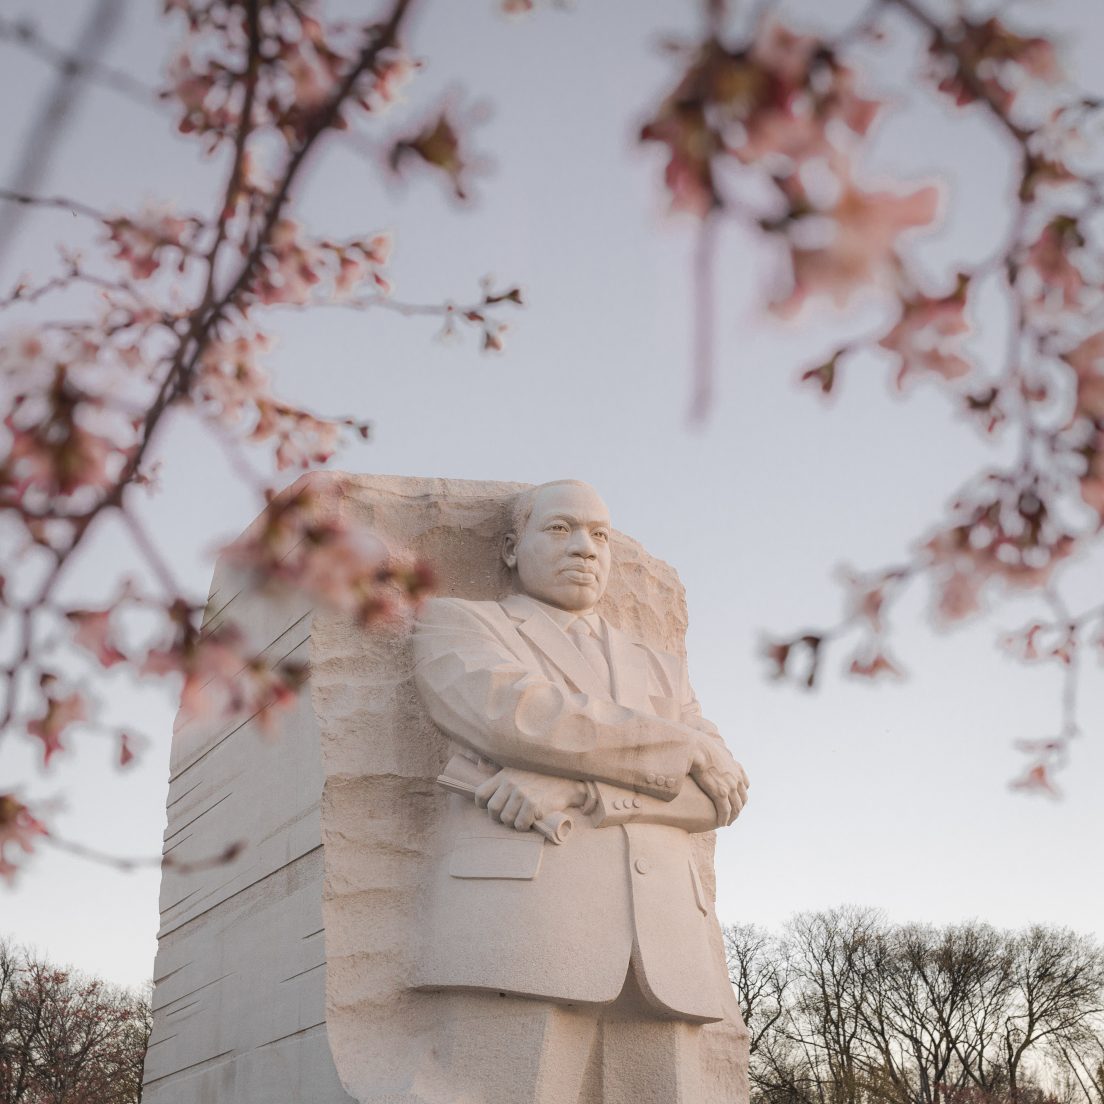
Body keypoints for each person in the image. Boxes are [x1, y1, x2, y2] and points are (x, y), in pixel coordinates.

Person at [411, 479, 750, 1104]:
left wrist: (577, 789)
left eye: (600, 535)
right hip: (525, 928)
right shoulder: (461, 623)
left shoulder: (660, 668)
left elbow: (716, 799)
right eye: (560, 528)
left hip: (667, 945)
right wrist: (682, 746)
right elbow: (514, 717)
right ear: (511, 548)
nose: (585, 548)